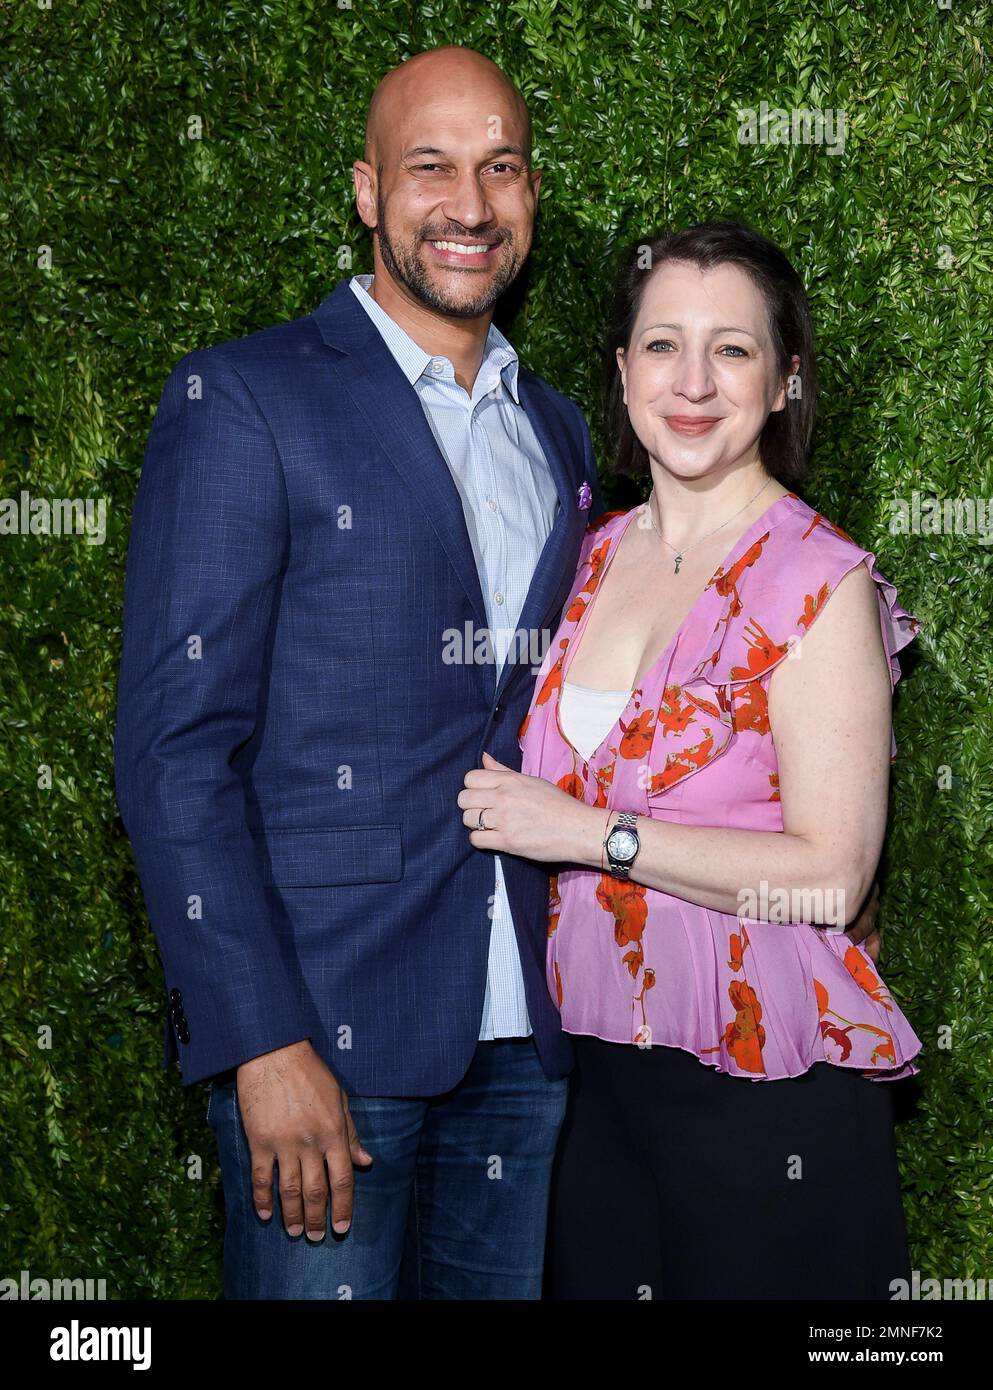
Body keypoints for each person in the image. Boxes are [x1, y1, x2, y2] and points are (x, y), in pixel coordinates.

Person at [459, 221, 922, 1300]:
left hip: (764, 1088)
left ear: (785, 379)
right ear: (622, 373)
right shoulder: (585, 554)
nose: (695, 381)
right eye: (664, 345)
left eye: (735, 348)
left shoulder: (820, 580)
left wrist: (590, 835)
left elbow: (830, 876)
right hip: (586, 1084)